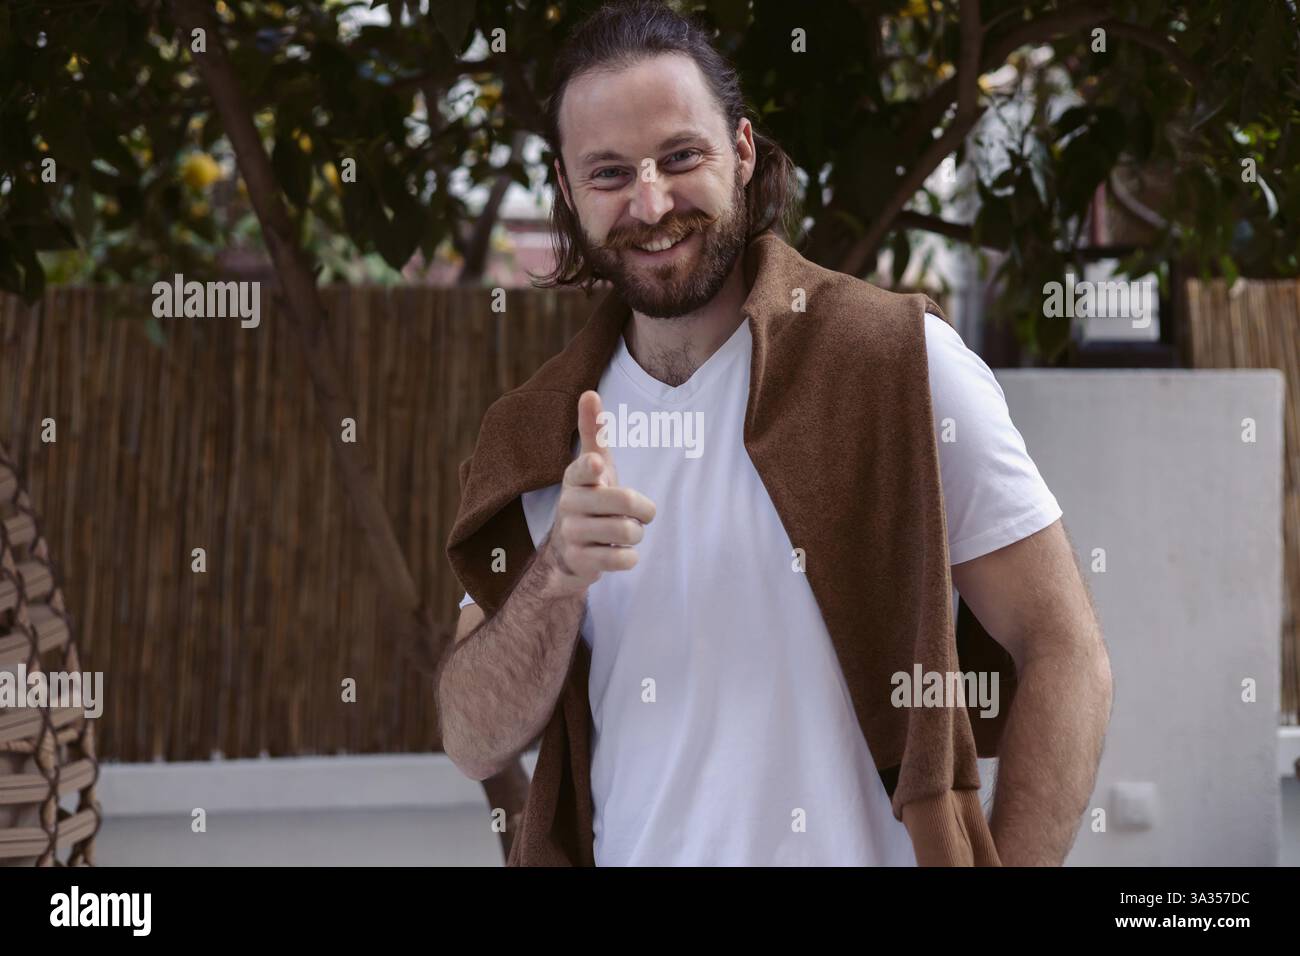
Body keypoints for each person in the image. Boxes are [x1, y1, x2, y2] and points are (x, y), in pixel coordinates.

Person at [437, 0, 1111, 867]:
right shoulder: (539, 433)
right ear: (568, 192)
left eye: (681, 157)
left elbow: (1066, 650)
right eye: (609, 174)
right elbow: (470, 740)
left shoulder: (901, 366)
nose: (651, 202)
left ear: (744, 154)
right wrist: (556, 581)